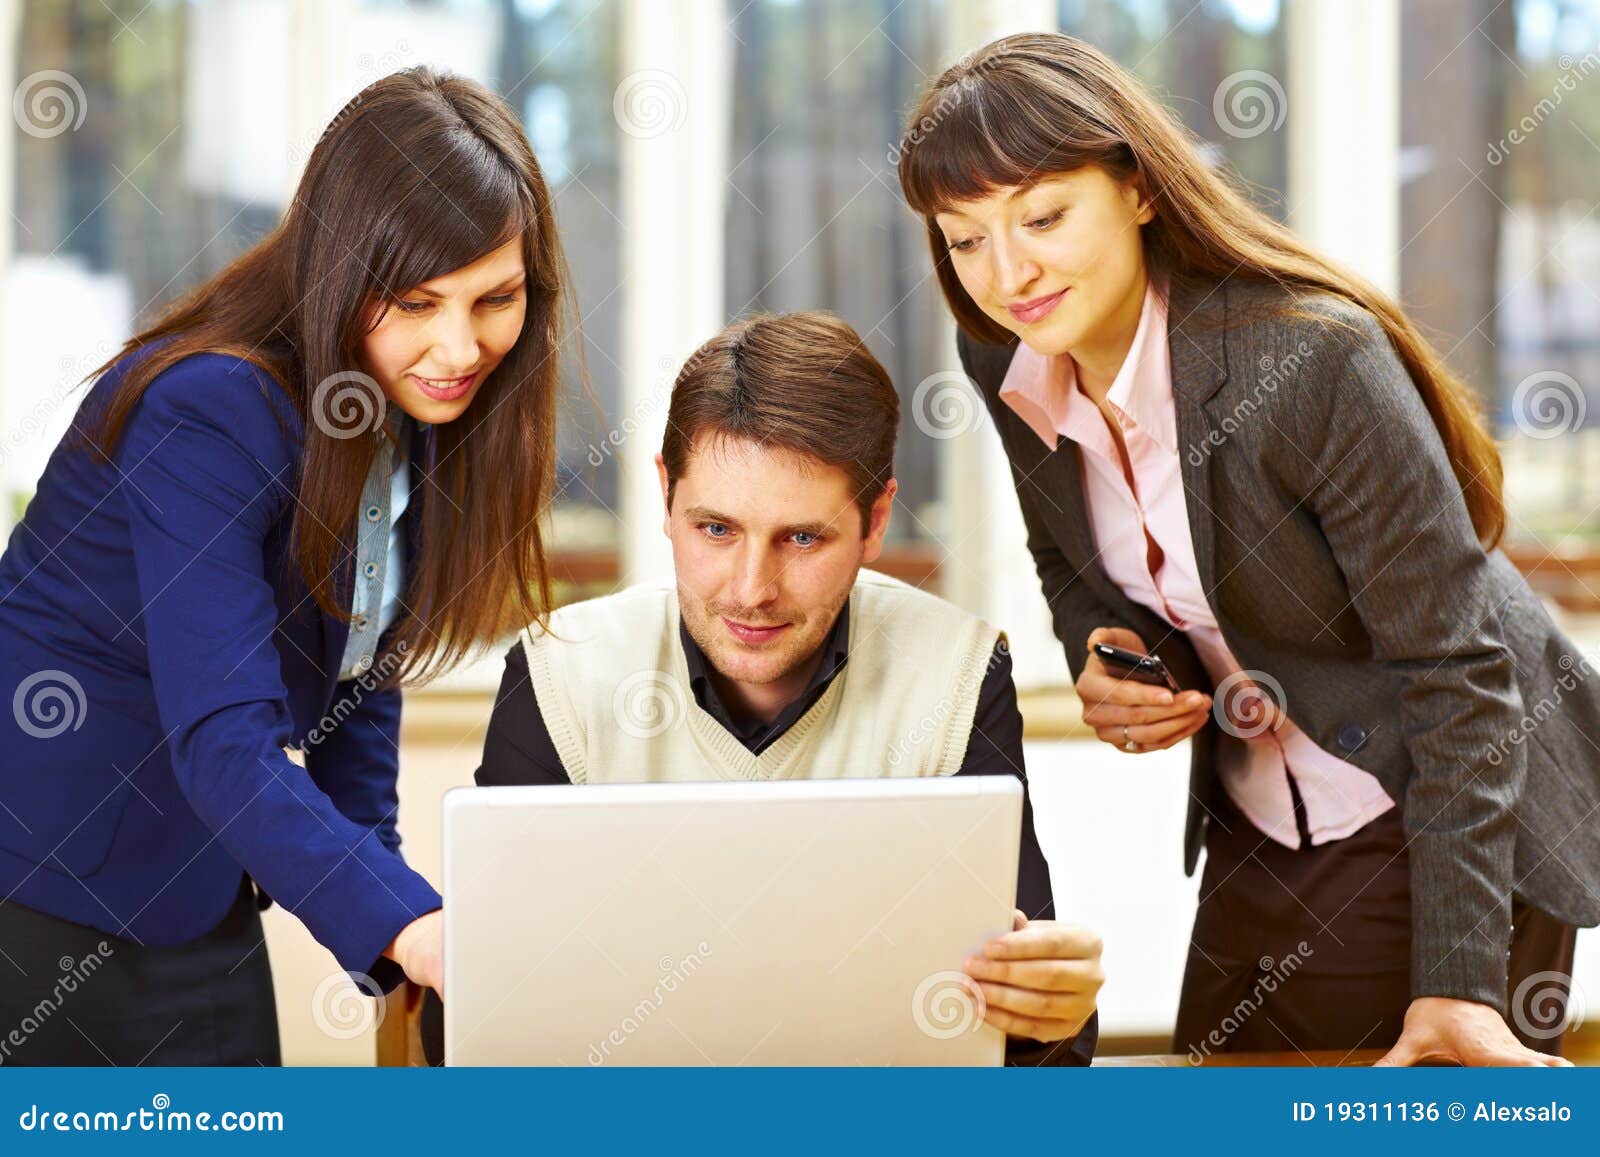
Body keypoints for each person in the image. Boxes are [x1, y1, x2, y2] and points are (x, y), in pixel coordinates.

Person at [896, 32, 1599, 1066]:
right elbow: (1069, 558)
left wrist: (1455, 981)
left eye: (1042, 217)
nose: (1007, 273)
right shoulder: (1005, 348)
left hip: (1443, 809)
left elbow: (1459, 674)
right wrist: (1112, 653)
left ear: (1136, 189)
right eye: (963, 240)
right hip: (1253, 817)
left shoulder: (1311, 360)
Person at [0, 67, 574, 1064]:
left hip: (195, 880)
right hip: (41, 883)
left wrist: (393, 928)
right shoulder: (212, 408)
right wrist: (408, 920)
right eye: (416, 300)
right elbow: (228, 735)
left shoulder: (415, 406)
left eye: (497, 298)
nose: (459, 344)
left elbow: (358, 666)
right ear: (340, 275)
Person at [420, 311, 1102, 1066]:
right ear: (665, 496)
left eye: (802, 538)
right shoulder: (561, 671)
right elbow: (467, 1031)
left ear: (876, 521)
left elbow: (1029, 1055)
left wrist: (1054, 1013)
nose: (752, 590)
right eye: (716, 529)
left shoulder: (958, 671)